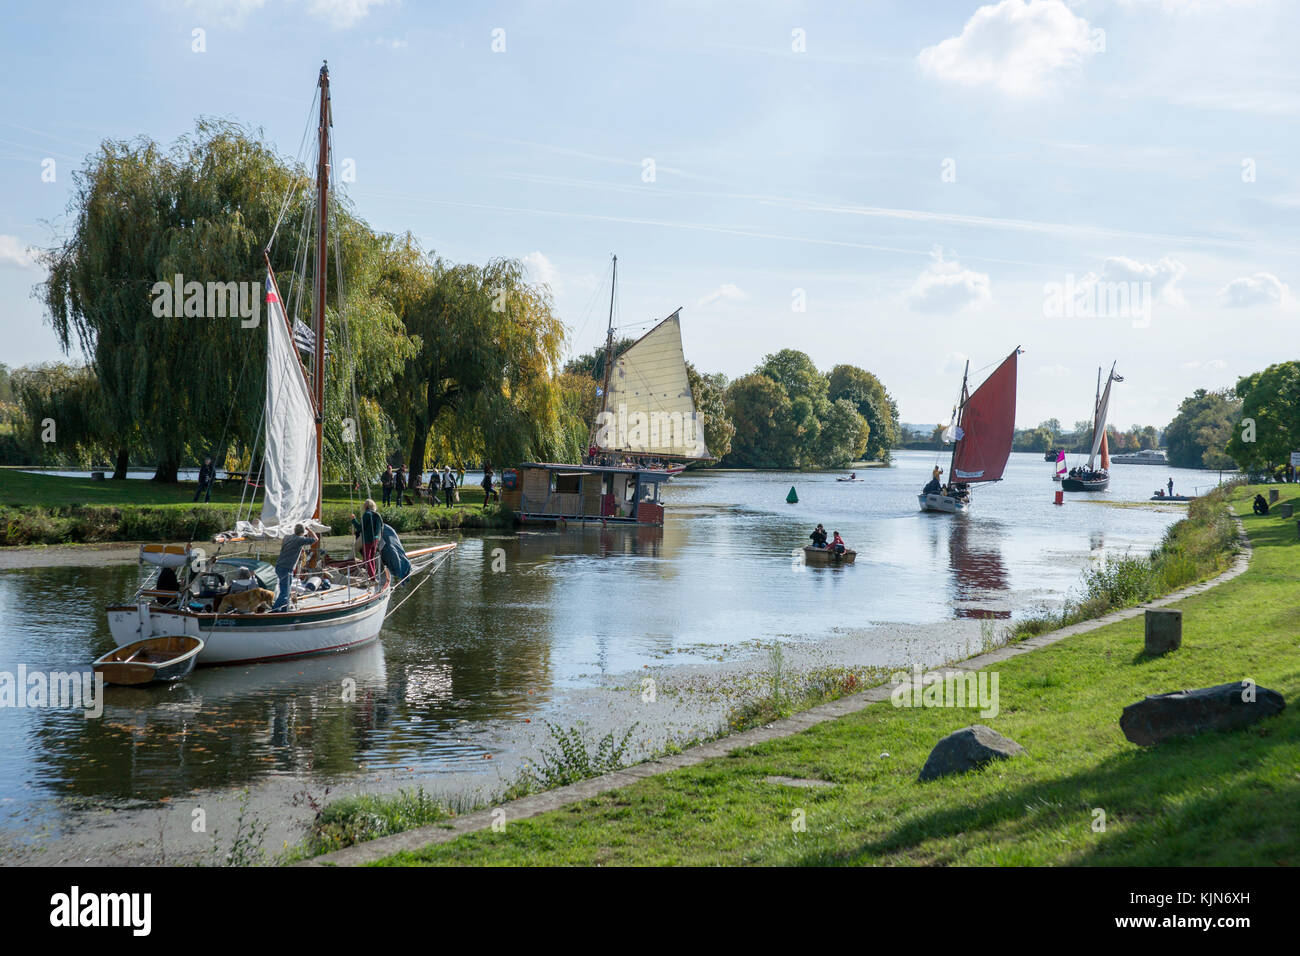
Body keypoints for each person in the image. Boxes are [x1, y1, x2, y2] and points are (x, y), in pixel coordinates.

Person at [272, 524, 318, 611]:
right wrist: (309, 529)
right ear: (303, 532)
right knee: (285, 591)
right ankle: (275, 610)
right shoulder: (299, 539)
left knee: (285, 589)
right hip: (286, 567)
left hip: (279, 565)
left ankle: (284, 608)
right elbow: (315, 539)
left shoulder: (287, 537)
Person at [350, 498, 383, 579]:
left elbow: (360, 528)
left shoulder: (367, 514)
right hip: (375, 540)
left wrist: (353, 520)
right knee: (372, 558)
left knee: (367, 559)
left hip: (367, 540)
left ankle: (372, 578)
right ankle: (374, 575)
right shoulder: (377, 515)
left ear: (365, 506)